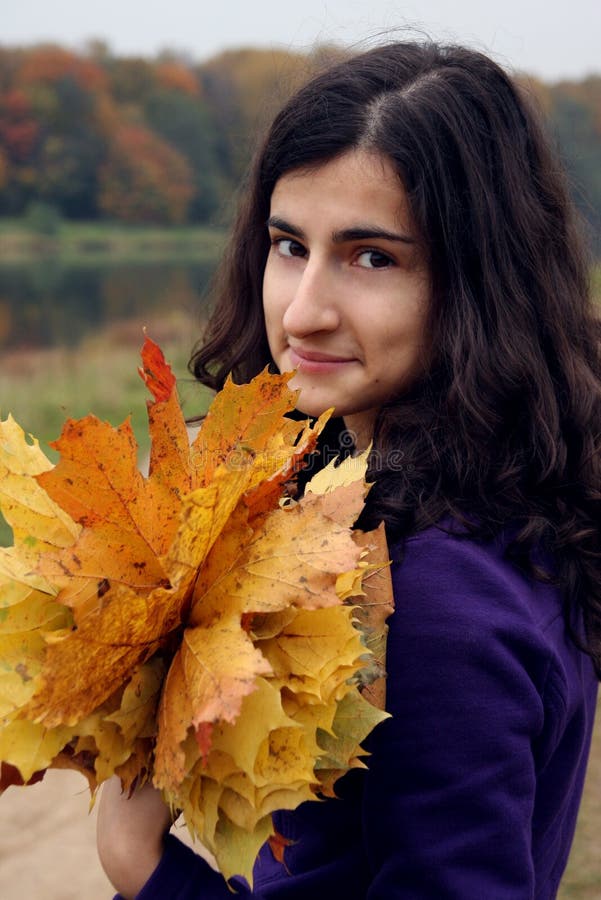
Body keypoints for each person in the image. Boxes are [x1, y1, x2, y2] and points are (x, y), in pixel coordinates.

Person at [96, 40, 601, 898]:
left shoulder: (432, 602)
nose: (302, 310)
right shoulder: (483, 503)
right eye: (289, 245)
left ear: (479, 282)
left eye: (373, 257)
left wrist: (137, 859)